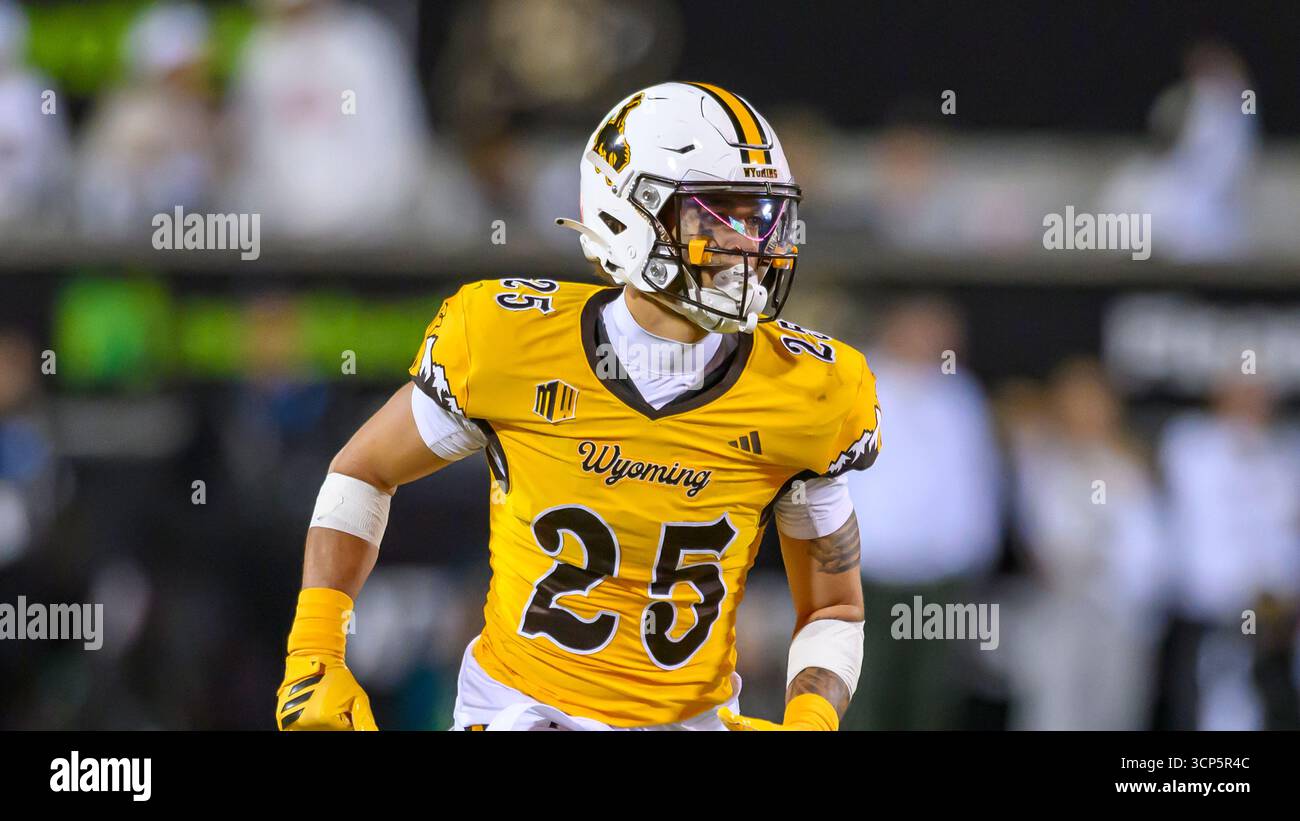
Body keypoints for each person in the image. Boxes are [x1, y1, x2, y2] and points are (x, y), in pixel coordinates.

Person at [275, 83, 883, 731]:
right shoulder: (510, 342)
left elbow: (833, 609)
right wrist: (315, 650)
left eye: (760, 218)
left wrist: (811, 720)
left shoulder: (807, 388)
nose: (750, 245)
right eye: (717, 216)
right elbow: (363, 470)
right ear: (629, 214)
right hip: (522, 715)